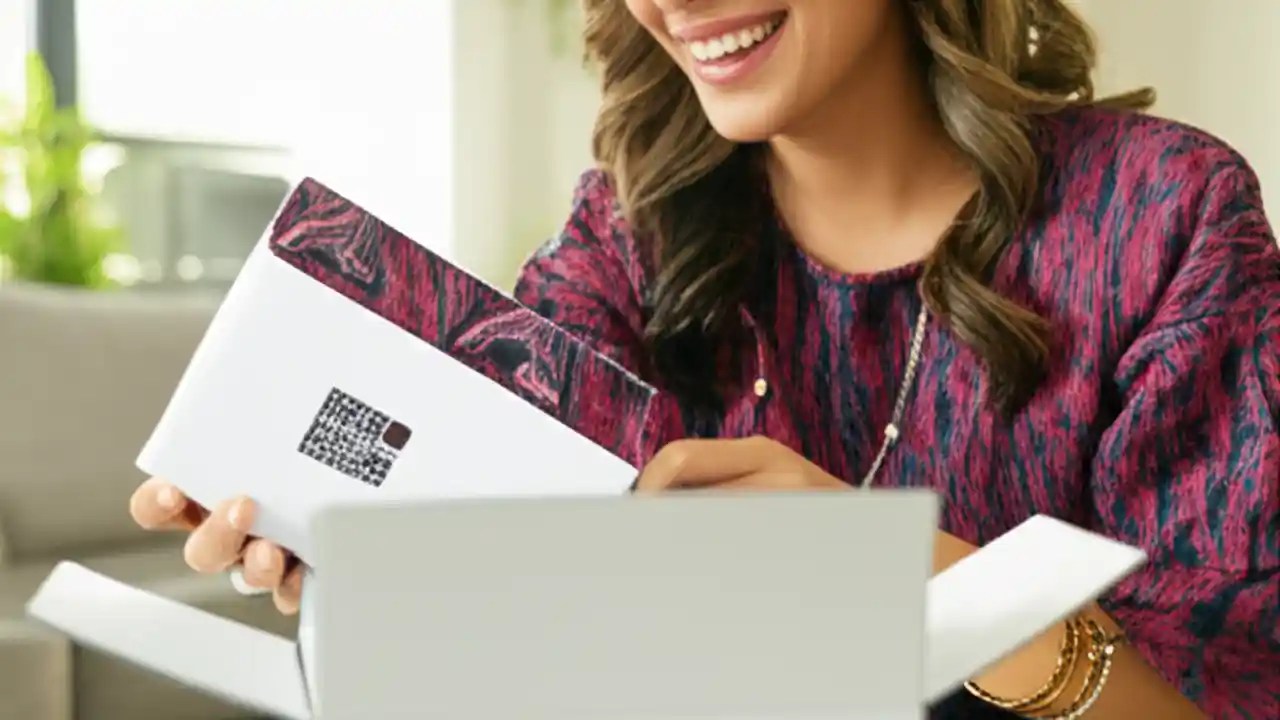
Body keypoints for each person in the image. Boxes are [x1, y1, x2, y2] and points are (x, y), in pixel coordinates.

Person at [130, 0, 1278, 717]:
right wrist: (360, 550)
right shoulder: (629, 235)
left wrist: (916, 580)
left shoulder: (1161, 218)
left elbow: (1224, 698)